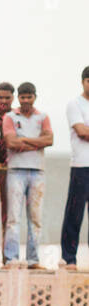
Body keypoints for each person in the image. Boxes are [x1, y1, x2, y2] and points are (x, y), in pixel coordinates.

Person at [2, 83, 53, 268]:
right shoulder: (10, 117)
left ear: (34, 97)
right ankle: (12, 258)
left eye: (28, 97)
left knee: (35, 218)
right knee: (14, 217)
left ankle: (33, 259)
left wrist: (23, 139)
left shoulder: (43, 117)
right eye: (22, 97)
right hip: (16, 170)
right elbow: (11, 142)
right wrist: (37, 143)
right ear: (18, 98)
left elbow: (50, 140)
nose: (25, 100)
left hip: (37, 170)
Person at [61, 66, 89, 269]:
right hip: (81, 165)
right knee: (75, 213)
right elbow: (81, 131)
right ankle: (69, 257)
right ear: (83, 81)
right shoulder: (75, 104)